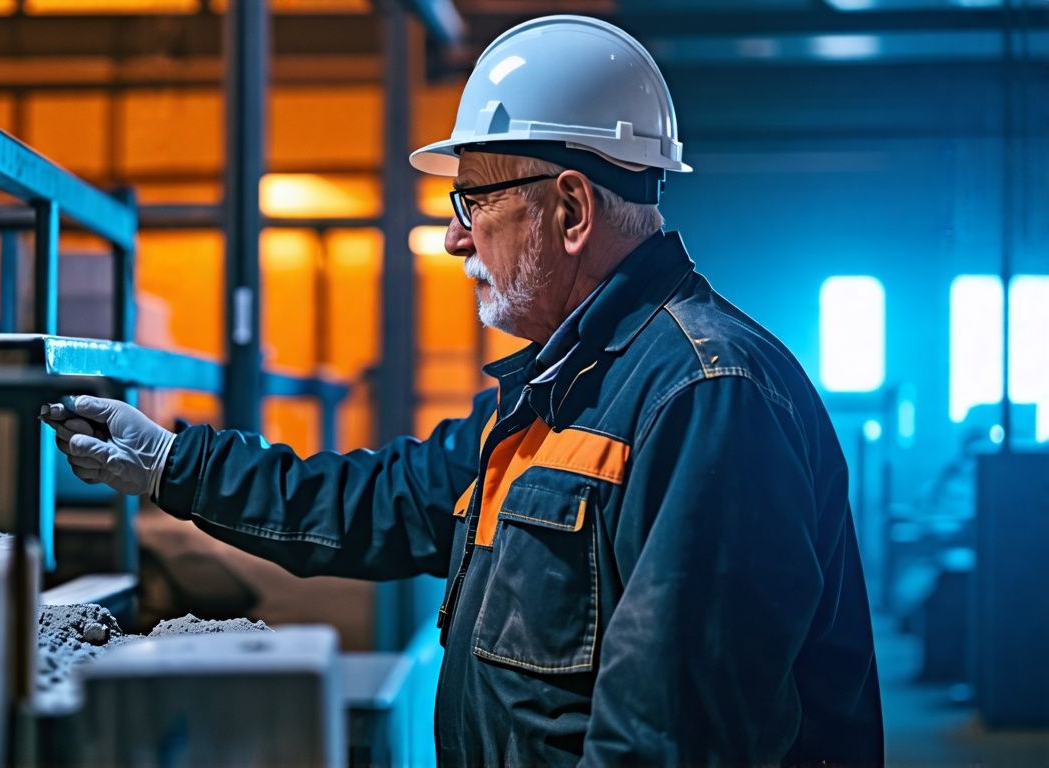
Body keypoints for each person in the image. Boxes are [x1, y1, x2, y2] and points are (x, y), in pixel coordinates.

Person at [44, 15, 883, 765]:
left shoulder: (706, 400)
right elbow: (381, 501)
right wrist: (173, 464)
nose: (452, 236)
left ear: (571, 210)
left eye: (472, 199)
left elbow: (666, 744)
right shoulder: (559, 392)